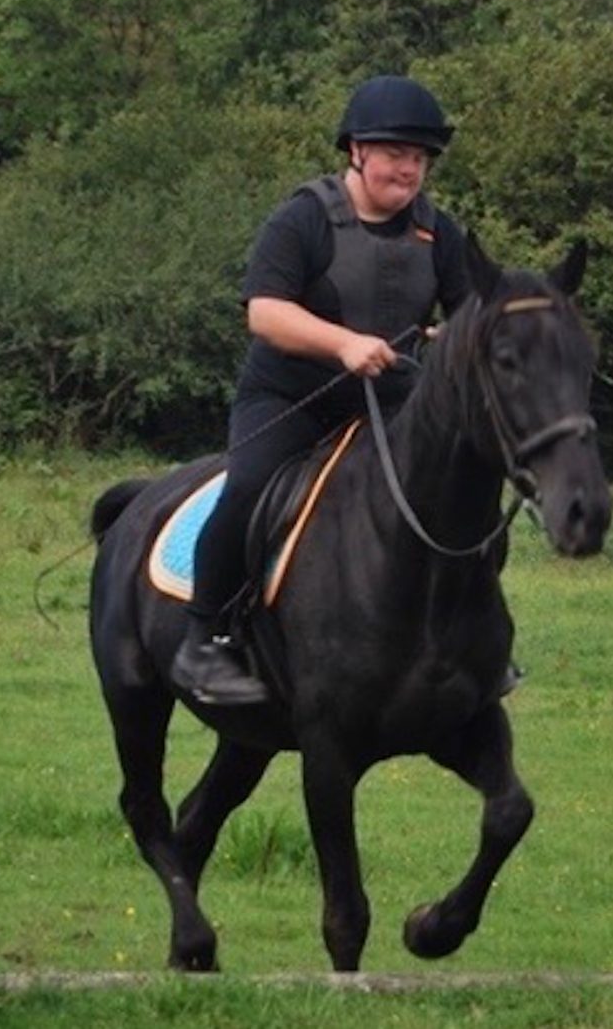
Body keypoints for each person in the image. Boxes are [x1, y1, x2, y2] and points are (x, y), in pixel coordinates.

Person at [172, 75, 471, 705]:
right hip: (291, 396)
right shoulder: (305, 217)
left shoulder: (438, 232)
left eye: (419, 159)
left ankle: (467, 640)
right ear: (357, 151)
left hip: (392, 398)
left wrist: (459, 339)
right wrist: (343, 344)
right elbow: (265, 313)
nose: (409, 169)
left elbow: (469, 312)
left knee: (457, 487)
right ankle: (204, 641)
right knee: (249, 485)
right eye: (395, 154)